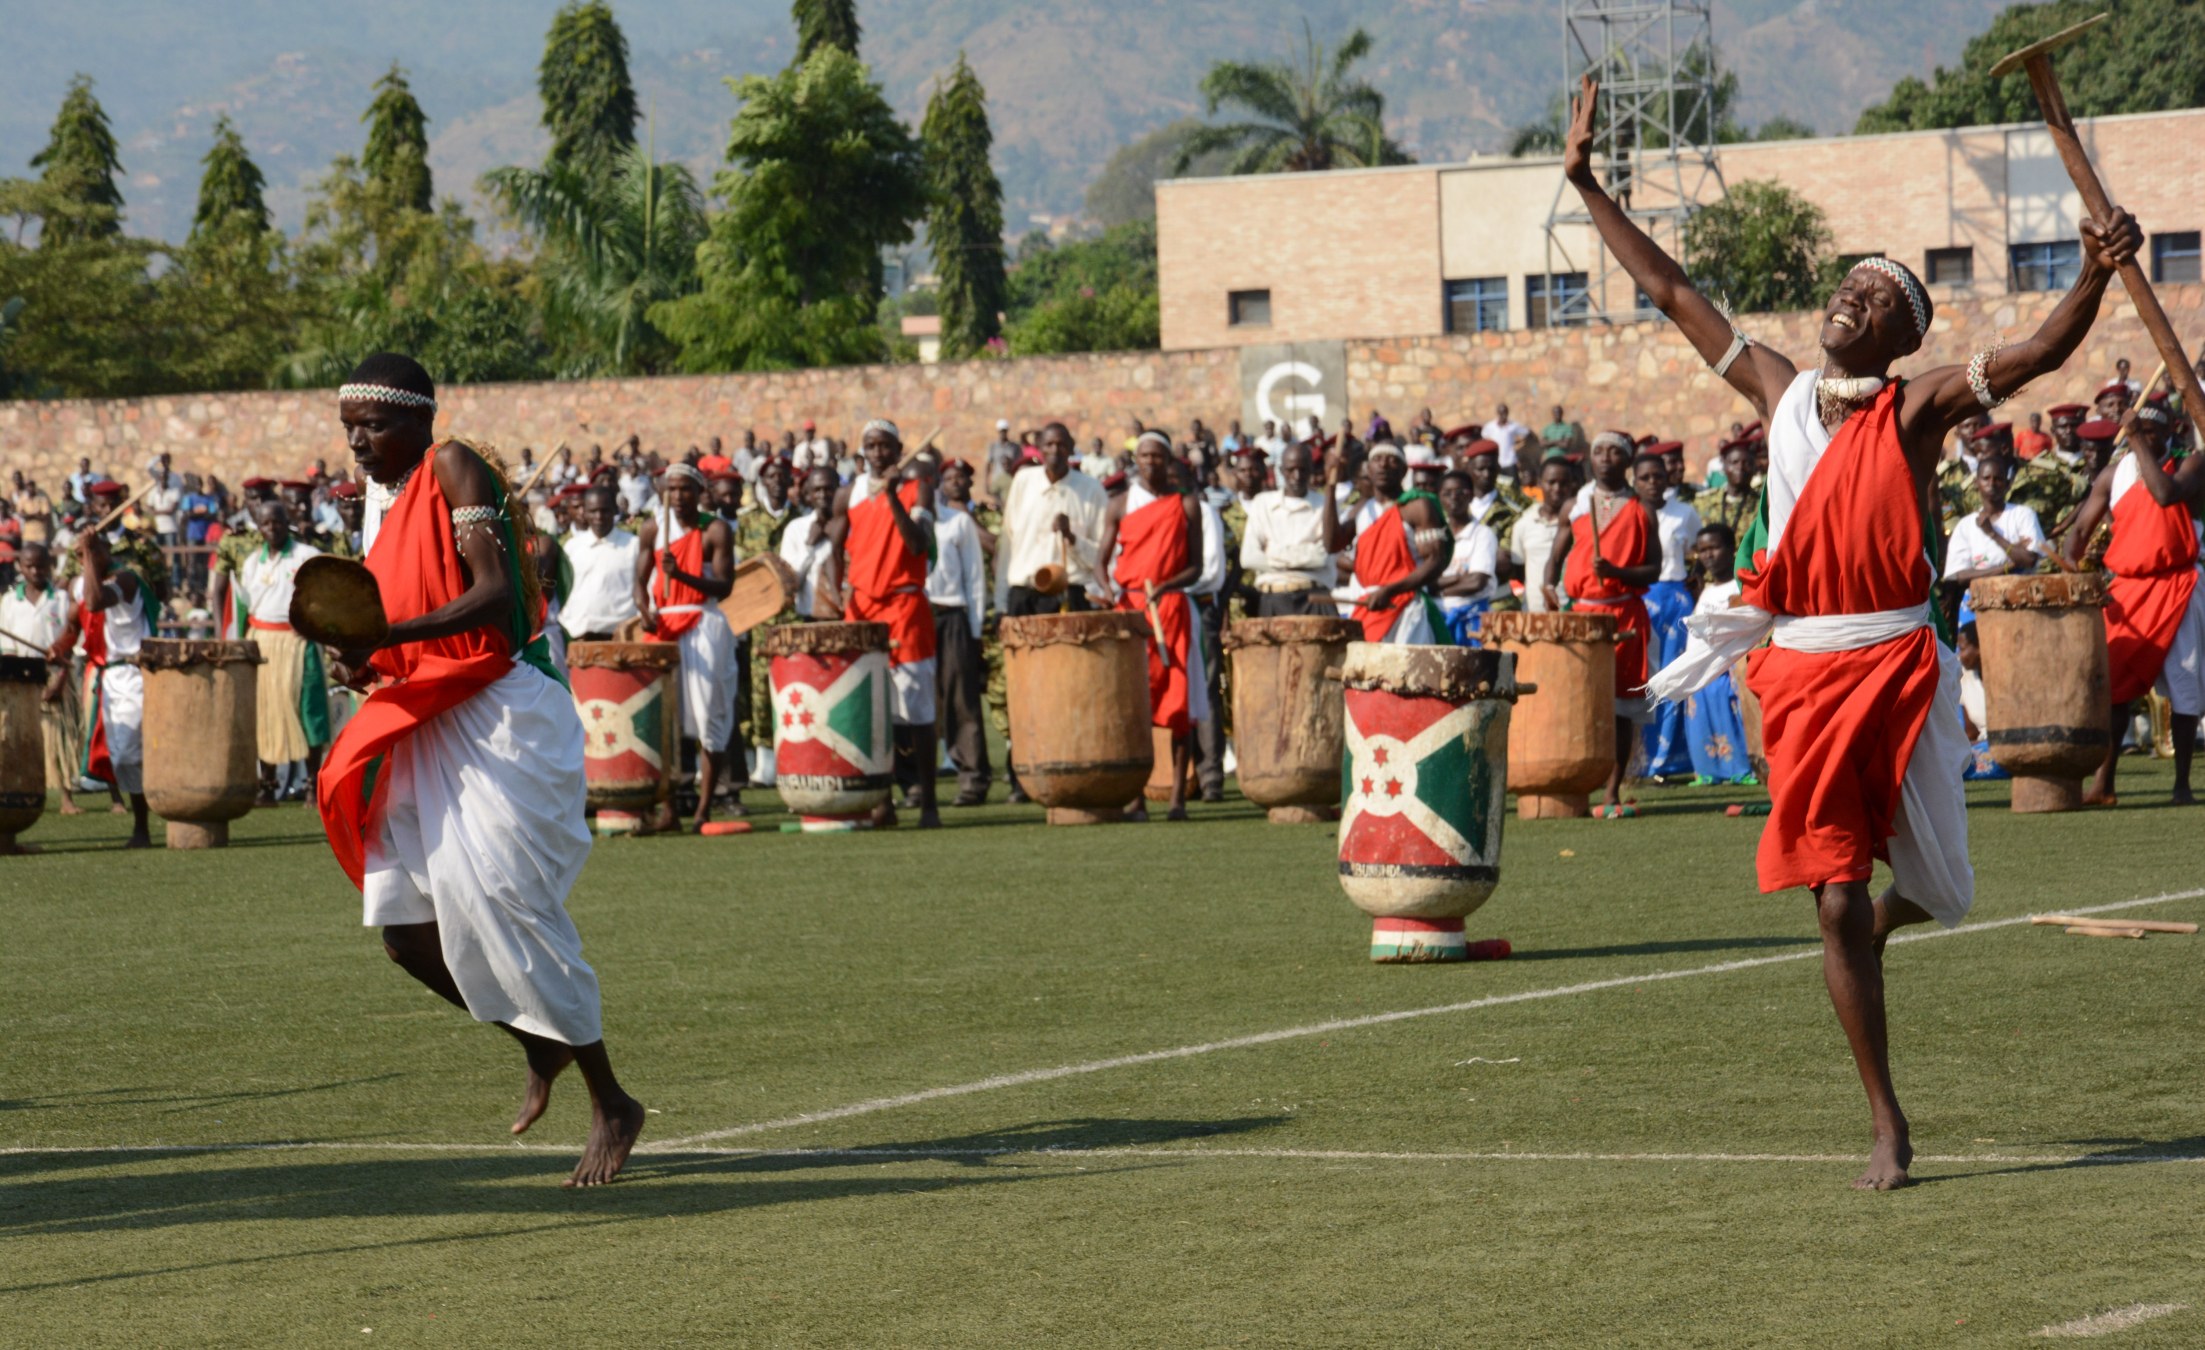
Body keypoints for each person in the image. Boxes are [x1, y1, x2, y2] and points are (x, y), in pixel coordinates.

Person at [1566, 68, 2142, 1188]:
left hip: (1897, 666)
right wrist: (1587, 184)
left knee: (1936, 888)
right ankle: (1886, 1119)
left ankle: (1882, 924)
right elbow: (1669, 288)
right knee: (1832, 900)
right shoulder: (1776, 389)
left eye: (1877, 299)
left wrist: (2091, 272)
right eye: (1847, 286)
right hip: (1803, 670)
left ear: (1899, 337)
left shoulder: (1915, 407)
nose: (1851, 298)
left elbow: (2039, 355)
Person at [315, 354, 642, 1188]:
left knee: (507, 903)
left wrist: (386, 640)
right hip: (431, 716)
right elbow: (405, 628)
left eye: (374, 424)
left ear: (420, 419)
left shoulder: (453, 465)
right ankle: (539, 1042)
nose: (358, 442)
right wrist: (367, 661)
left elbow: (494, 595)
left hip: (500, 710)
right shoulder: (385, 513)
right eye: (349, 427)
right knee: (404, 934)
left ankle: (611, 1101)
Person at [2065, 395, 2205, 805]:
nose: (2144, 437)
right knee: (2115, 688)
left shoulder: (2191, 464)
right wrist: (2071, 559)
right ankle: (2104, 785)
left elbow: (2164, 494)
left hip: (2178, 585)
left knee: (2184, 686)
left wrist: (2134, 437)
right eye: (2140, 430)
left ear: (2172, 431)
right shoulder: (2114, 474)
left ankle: (2182, 784)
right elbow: (2081, 529)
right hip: (2127, 588)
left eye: (2152, 431)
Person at [832, 420, 940, 829]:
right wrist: (836, 589)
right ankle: (882, 802)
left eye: (885, 446)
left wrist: (893, 496)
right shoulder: (849, 494)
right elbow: (835, 546)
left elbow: (917, 543)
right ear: (863, 451)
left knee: (917, 710)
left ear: (899, 450)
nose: (878, 453)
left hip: (905, 608)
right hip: (861, 610)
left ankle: (929, 803)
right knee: (870, 709)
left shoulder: (918, 489)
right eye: (871, 446)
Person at [1548, 433, 1662, 813]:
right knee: (1580, 702)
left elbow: (1654, 568)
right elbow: (1555, 558)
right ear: (1590, 459)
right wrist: (1549, 589)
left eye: (1615, 452)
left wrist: (1616, 571)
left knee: (1621, 708)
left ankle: (1612, 791)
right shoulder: (1576, 506)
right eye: (1599, 451)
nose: (1605, 458)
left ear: (1627, 461)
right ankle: (1575, 787)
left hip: (1624, 613)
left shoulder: (1642, 509)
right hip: (1583, 615)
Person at [1097, 431, 1205, 821]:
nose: (1150, 462)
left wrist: (1167, 585)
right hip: (1132, 609)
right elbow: (1101, 561)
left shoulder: (1187, 504)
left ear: (1169, 461)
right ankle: (1136, 797)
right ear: (1135, 461)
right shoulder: (1120, 504)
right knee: (1135, 703)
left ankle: (1177, 797)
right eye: (1144, 456)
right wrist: (1108, 590)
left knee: (1178, 704)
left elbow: (1197, 567)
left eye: (1157, 456)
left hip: (1172, 608)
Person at [635, 463, 738, 831]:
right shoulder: (652, 528)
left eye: (685, 489)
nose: (678, 496)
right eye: (672, 489)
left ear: (699, 492)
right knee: (665, 718)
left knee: (708, 712)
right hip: (664, 626)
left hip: (704, 624)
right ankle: (670, 810)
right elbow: (639, 581)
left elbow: (725, 587)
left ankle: (704, 808)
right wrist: (644, 610)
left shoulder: (715, 530)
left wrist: (681, 575)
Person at [58, 524, 153, 846]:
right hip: (104, 677)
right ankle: (140, 823)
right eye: (81, 554)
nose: (87, 559)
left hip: (133, 674)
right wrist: (60, 647)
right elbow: (75, 623)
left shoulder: (125, 580)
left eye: (92, 552)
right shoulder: (80, 584)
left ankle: (143, 825)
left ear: (105, 552)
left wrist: (87, 552)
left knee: (129, 754)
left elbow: (95, 601)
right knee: (117, 755)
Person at [237, 499, 332, 804]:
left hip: (298, 642)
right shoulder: (253, 563)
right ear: (259, 527)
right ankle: (267, 785)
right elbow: (245, 606)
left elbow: (323, 596)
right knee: (265, 711)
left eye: (277, 521)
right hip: (263, 641)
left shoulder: (306, 556)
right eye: (265, 523)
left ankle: (312, 784)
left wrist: (313, 624)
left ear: (286, 521)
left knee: (309, 709)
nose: (272, 528)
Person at [1323, 441, 1450, 642]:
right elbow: (1332, 544)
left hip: (1407, 609)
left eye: (1392, 460)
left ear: (1404, 471)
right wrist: (1330, 486)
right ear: (1369, 469)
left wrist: (1391, 590)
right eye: (1377, 459)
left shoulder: (1417, 507)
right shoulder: (1362, 509)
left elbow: (1437, 561)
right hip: (1369, 606)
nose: (1383, 465)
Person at [1, 541, 85, 815]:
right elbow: (7, 648)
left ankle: (66, 797)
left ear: (50, 566)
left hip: (55, 673)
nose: (36, 571)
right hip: (21, 677)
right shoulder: (9, 601)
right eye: (30, 566)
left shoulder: (60, 599)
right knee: (21, 736)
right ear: (20, 567)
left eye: (41, 566)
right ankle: (21, 790)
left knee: (60, 736)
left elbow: (70, 640)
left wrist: (60, 679)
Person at [925, 455, 990, 807]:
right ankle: (916, 784)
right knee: (914, 699)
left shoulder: (957, 522)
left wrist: (975, 631)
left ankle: (973, 779)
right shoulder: (905, 522)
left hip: (952, 616)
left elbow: (974, 579)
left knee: (961, 700)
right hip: (916, 616)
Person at [997, 422, 1107, 616]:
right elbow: (1008, 542)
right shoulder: (1023, 481)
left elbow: (1102, 555)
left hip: (1069, 595)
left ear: (1071, 448)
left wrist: (1071, 537)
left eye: (1061, 445)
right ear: (1039, 448)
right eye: (1049, 444)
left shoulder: (1091, 489)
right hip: (1025, 594)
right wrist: (1001, 603)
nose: (1055, 450)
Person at [1643, 451, 1703, 780]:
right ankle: (1641, 757)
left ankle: (1669, 759)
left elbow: (1699, 550)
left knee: (1674, 674)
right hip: (1643, 598)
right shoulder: (1630, 513)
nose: (1653, 483)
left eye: (1659, 476)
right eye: (1646, 477)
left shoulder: (1684, 512)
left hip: (1677, 599)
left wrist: (1695, 580)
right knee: (1644, 675)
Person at [1682, 524, 1756, 785]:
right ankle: (1707, 771)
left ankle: (1742, 767)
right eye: (1702, 550)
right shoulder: (1705, 590)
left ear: (1732, 549)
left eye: (1715, 548)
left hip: (1729, 666)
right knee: (1700, 710)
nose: (1708, 555)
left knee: (1727, 704)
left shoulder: (1741, 586)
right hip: (1702, 667)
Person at [1941, 458, 2049, 625]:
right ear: (1976, 483)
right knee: (1969, 640)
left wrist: (1992, 534)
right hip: (1979, 599)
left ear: (2008, 484)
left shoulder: (2023, 514)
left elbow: (2029, 559)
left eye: (1998, 479)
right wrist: (2007, 566)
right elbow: (1958, 576)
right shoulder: (1966, 525)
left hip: (2021, 596)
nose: (1992, 483)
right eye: (1986, 478)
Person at [1240, 443, 1337, 617]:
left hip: (1316, 598)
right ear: (1281, 471)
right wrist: (1306, 556)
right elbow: (1249, 558)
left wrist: (1273, 552)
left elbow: (1323, 557)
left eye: (1302, 470)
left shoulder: (1325, 505)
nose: (1297, 476)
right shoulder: (1262, 503)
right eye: (1291, 470)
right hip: (1273, 598)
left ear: (1311, 470)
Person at [559, 486, 640, 642]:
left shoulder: (633, 545)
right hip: (580, 637)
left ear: (614, 511)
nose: (599, 516)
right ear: (585, 512)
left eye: (605, 511)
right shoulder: (572, 547)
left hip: (623, 637)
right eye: (593, 511)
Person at [1434, 469, 1499, 646]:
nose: (1454, 497)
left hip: (1471, 619)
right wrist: (1459, 579)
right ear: (1439, 498)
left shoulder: (1482, 534)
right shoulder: (1437, 535)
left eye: (1460, 492)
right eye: (1447, 493)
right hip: (1437, 617)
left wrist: (1439, 589)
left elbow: (1476, 582)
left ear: (1471, 496)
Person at [1509, 455, 1577, 613]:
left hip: (1572, 610)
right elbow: (1519, 571)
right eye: (1551, 482)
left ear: (1572, 485)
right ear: (1540, 483)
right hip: (1534, 611)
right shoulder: (1524, 524)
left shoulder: (1579, 522)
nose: (1557, 488)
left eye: (1564, 483)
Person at [1481, 402, 1532, 474]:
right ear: (1497, 413)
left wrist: (1518, 443)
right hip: (1497, 462)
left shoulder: (1513, 425)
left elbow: (1526, 433)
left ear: (1507, 413)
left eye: (1505, 412)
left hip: (1510, 461)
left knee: (1513, 480)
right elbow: (1484, 436)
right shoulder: (1490, 426)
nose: (1503, 415)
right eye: (1501, 413)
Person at [985, 418, 1022, 503]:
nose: (1003, 433)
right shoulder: (993, 447)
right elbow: (988, 464)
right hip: (997, 479)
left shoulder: (1014, 447)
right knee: (998, 502)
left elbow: (1018, 463)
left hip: (1010, 479)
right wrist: (986, 483)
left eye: (1004, 431)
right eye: (1001, 431)